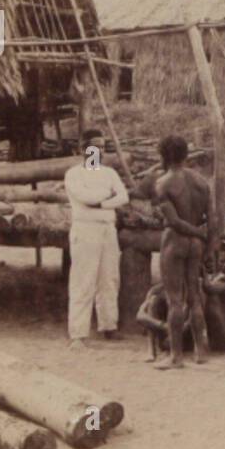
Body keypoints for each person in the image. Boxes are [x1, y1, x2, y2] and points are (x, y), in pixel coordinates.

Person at [63, 127, 129, 349]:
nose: (99, 151)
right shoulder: (74, 173)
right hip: (85, 229)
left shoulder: (109, 173)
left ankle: (108, 326)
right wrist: (106, 197)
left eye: (102, 147)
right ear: (83, 149)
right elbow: (83, 198)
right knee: (84, 280)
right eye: (94, 146)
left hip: (107, 228)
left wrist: (102, 202)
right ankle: (78, 334)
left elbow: (123, 196)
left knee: (109, 278)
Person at [153, 134, 212, 368]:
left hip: (175, 241)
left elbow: (174, 221)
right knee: (194, 296)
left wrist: (195, 233)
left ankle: (176, 356)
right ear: (186, 154)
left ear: (164, 155)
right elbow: (213, 217)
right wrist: (203, 236)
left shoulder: (163, 183)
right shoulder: (201, 181)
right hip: (195, 243)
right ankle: (200, 351)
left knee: (174, 299)